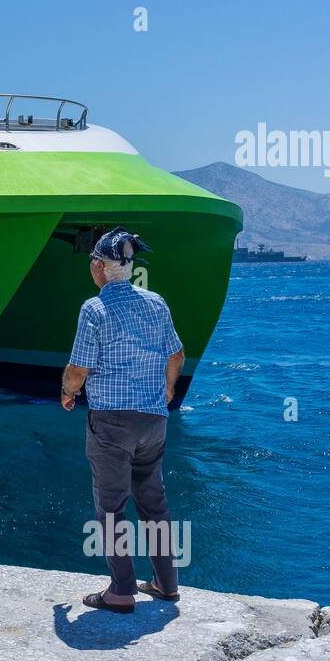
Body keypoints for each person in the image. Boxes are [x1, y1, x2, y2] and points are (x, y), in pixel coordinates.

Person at [61, 227, 187, 614]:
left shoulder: (94, 309)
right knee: (155, 502)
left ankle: (120, 590)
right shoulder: (157, 303)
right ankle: (166, 584)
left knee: (111, 507)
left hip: (112, 423)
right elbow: (177, 356)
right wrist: (166, 392)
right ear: (129, 267)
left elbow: (78, 369)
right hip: (153, 421)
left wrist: (68, 393)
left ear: (99, 267)